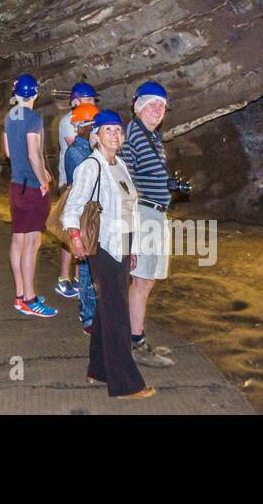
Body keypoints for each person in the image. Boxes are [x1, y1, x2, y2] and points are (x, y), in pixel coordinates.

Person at [62, 110, 154, 398]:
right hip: (104, 247)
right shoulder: (92, 166)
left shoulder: (120, 165)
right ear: (96, 136)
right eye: (108, 130)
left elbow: (130, 210)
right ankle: (126, 383)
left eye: (118, 130)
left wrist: (135, 246)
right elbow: (73, 207)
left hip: (123, 244)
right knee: (117, 313)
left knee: (106, 309)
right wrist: (75, 237)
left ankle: (99, 370)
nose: (115, 135)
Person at [118, 80, 177, 368]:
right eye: (152, 104)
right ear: (138, 106)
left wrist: (167, 185)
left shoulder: (153, 137)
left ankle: (136, 337)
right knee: (141, 280)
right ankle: (134, 343)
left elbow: (145, 174)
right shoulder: (133, 135)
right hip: (141, 216)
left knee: (147, 279)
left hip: (155, 214)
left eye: (162, 105)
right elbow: (124, 180)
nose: (157, 109)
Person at [3, 73, 57, 317]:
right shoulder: (33, 118)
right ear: (35, 93)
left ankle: (20, 295)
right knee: (33, 243)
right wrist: (43, 179)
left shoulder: (10, 116)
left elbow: (7, 151)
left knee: (18, 240)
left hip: (16, 184)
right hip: (32, 187)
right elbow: (34, 153)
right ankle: (31, 299)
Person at [55, 82, 98, 299]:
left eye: (93, 100)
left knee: (84, 231)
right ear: (76, 101)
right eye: (88, 99)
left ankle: (82, 279)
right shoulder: (67, 122)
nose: (92, 103)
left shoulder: (91, 119)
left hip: (84, 182)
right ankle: (65, 277)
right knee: (69, 230)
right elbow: (79, 147)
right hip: (69, 181)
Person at [62, 103, 99, 331]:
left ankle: (95, 313)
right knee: (86, 267)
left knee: (94, 266)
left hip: (93, 214)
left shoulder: (88, 148)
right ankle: (88, 317)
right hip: (85, 215)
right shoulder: (77, 151)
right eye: (94, 125)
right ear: (84, 126)